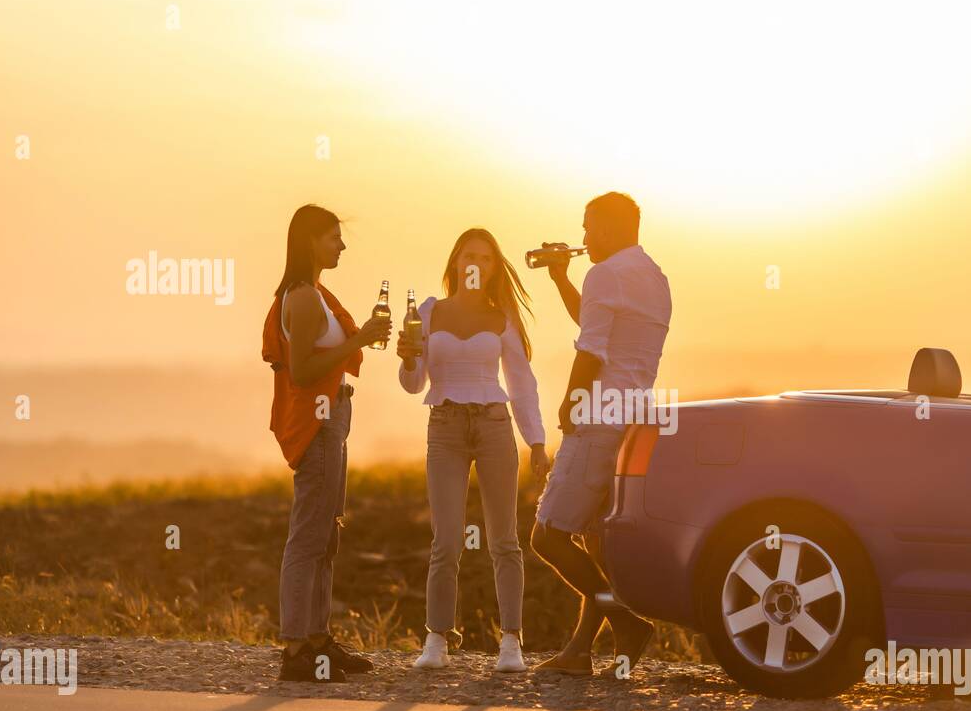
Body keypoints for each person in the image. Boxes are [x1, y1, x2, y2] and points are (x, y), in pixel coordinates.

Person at [529, 192, 671, 676]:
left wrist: (570, 403)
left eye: (588, 228)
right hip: (634, 419)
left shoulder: (606, 274)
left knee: (547, 537)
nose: (584, 238)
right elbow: (597, 323)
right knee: (593, 541)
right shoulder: (653, 276)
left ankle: (627, 624)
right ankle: (580, 653)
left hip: (598, 419)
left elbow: (590, 349)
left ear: (607, 229)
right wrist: (560, 278)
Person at [398, 228, 551, 672]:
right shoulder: (429, 312)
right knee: (446, 539)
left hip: (493, 425)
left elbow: (522, 384)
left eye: (485, 258)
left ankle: (511, 643)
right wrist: (407, 358)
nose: (475, 265)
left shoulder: (501, 317)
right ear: (454, 263)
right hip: (444, 424)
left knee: (505, 540)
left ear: (493, 268)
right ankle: (437, 640)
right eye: (468, 256)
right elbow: (413, 385)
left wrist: (536, 442)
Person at [262, 204, 389, 683]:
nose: (341, 246)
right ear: (310, 240)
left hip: (334, 418)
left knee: (327, 534)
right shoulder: (303, 299)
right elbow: (302, 371)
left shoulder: (315, 293)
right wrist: (361, 341)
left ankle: (317, 640)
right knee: (308, 536)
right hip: (317, 423)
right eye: (334, 237)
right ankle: (296, 647)